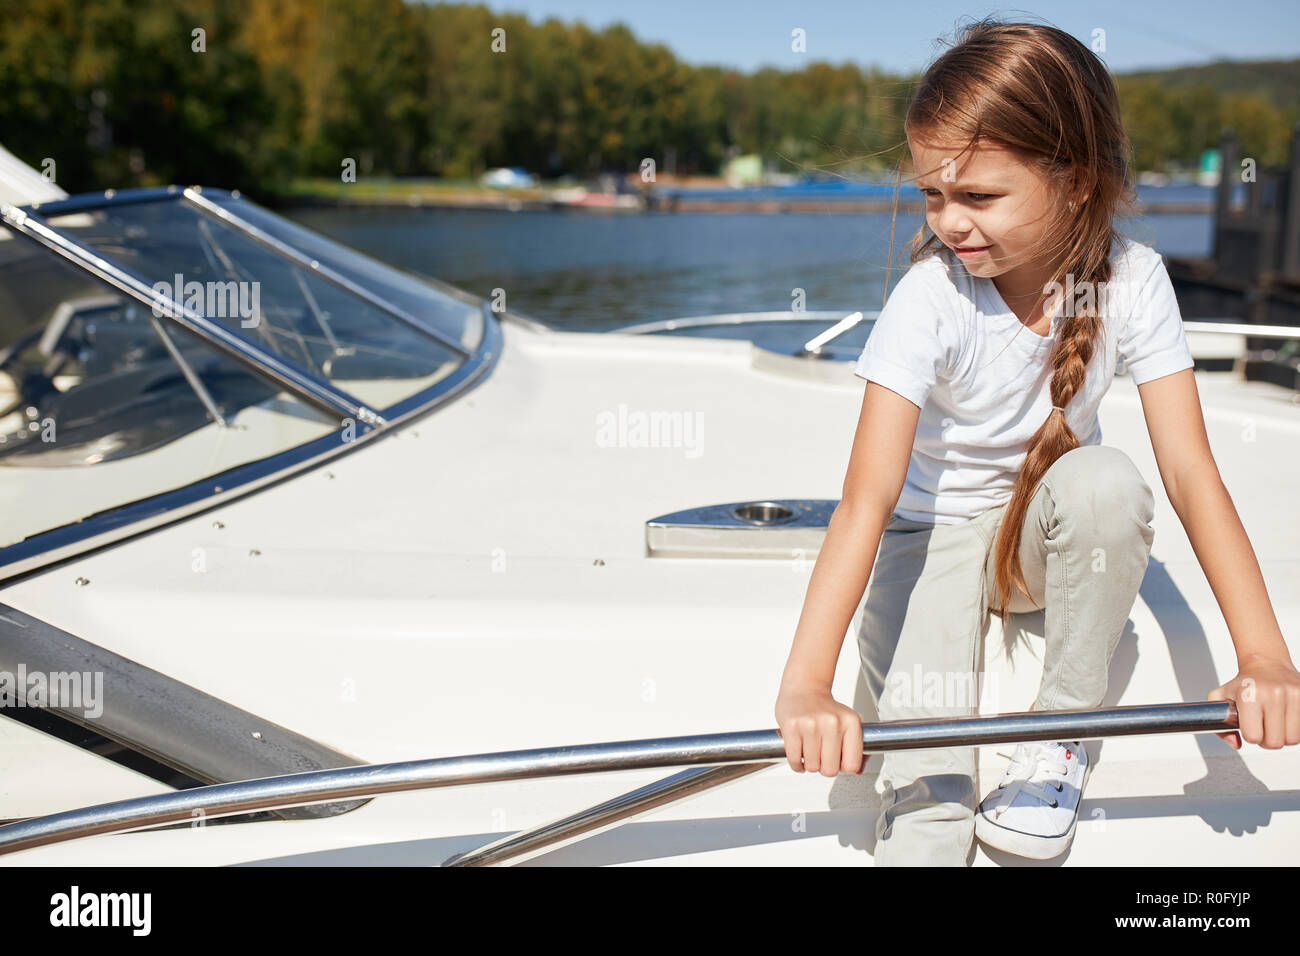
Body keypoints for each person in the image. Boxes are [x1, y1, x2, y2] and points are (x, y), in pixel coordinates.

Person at [773, 17, 1300, 866]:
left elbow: (1189, 471)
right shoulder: (930, 299)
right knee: (929, 799)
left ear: (1077, 181)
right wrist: (806, 684)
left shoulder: (1133, 280)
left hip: (1039, 542)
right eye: (933, 195)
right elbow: (866, 500)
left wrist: (1265, 656)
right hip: (931, 535)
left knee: (1106, 482)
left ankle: (1061, 731)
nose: (950, 222)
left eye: (980, 197)